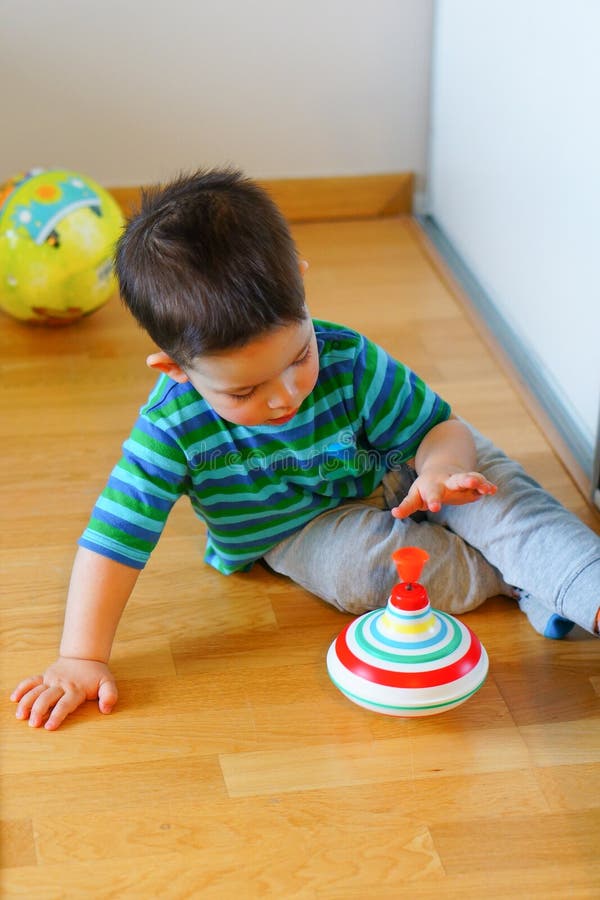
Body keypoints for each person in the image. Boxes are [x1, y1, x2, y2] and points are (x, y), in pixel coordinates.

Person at [11, 168, 600, 731]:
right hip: (300, 527)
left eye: (298, 357)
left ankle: (582, 585)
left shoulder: (348, 357)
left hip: (399, 459)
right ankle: (522, 578)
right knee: (363, 572)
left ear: (300, 282)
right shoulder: (169, 430)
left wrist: (443, 471)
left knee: (500, 498)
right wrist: (81, 657)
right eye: (244, 391)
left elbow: (438, 429)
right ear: (176, 369)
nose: (286, 395)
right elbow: (114, 540)